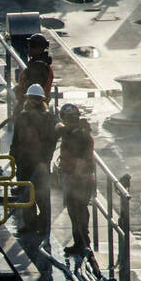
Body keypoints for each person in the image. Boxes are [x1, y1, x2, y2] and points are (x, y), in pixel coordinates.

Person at [10, 84, 61, 236]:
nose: (33, 102)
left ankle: (43, 226)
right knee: (26, 197)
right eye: (31, 99)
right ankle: (30, 225)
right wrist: (14, 157)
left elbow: (51, 143)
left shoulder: (48, 119)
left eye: (36, 99)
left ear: (41, 101)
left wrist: (44, 162)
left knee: (41, 196)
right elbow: (16, 141)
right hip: (24, 163)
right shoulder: (22, 118)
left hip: (40, 165)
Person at [57, 103, 97, 254]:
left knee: (78, 210)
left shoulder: (80, 135)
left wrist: (75, 177)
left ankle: (83, 243)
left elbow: (82, 159)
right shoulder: (72, 132)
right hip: (73, 177)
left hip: (79, 179)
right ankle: (80, 242)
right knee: (74, 211)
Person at [12, 33, 55, 118]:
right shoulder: (40, 64)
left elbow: (33, 93)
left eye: (32, 46)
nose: (29, 49)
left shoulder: (38, 68)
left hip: (32, 109)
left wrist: (18, 111)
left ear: (40, 48)